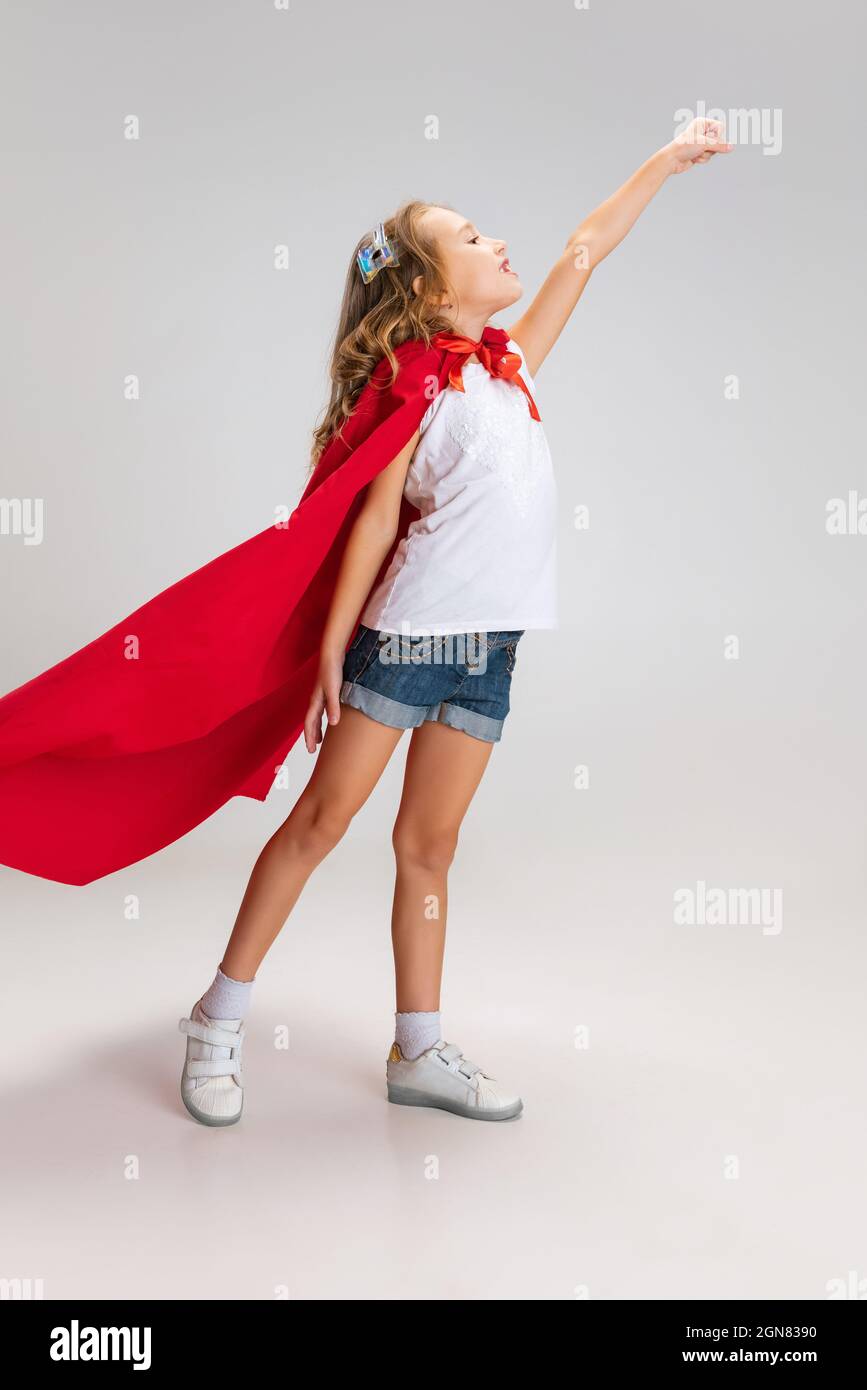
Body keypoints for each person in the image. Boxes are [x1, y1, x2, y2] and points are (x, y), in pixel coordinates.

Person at [179, 121, 731, 1125]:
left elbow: (584, 247)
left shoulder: (508, 367)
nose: (496, 244)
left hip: (491, 649)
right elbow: (374, 517)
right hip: (411, 639)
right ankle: (216, 1018)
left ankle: (418, 1049)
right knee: (319, 822)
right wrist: (335, 650)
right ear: (431, 291)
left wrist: (662, 161)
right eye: (471, 239)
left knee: (428, 848)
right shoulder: (417, 386)